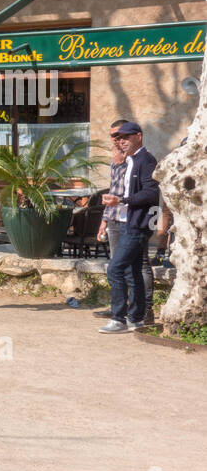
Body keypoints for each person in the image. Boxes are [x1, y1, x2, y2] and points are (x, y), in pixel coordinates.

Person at [100, 122, 159, 333]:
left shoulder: (146, 160)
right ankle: (136, 318)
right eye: (118, 137)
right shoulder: (131, 160)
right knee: (132, 270)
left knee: (116, 268)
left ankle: (118, 318)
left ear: (138, 137)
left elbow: (152, 193)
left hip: (138, 224)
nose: (121, 141)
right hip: (126, 222)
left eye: (125, 137)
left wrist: (122, 200)